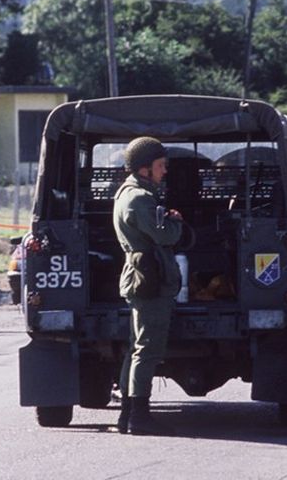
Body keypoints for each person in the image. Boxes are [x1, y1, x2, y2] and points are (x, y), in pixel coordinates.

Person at [113, 137, 183, 435]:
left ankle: (128, 415)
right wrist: (176, 223)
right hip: (148, 278)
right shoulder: (140, 199)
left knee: (136, 348)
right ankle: (138, 416)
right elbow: (165, 237)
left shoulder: (130, 193)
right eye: (160, 166)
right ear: (144, 168)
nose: (164, 171)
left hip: (141, 276)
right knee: (147, 349)